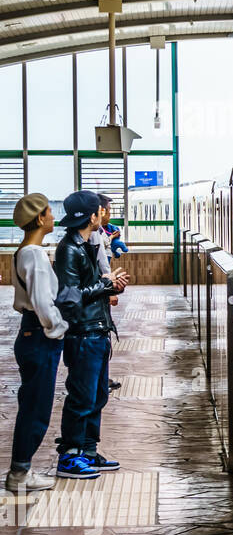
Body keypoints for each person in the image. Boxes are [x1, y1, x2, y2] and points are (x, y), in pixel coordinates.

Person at [53, 190, 128, 480]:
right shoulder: (70, 249)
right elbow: (70, 298)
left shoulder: (84, 244)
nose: (103, 216)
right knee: (82, 397)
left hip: (97, 330)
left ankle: (87, 449)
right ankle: (70, 456)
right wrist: (105, 287)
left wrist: (110, 284)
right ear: (91, 216)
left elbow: (90, 287)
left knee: (97, 395)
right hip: (83, 333)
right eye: (99, 211)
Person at [5, 194, 68, 493]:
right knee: (36, 407)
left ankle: (21, 470)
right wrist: (58, 329)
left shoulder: (23, 251)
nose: (54, 218)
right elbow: (43, 302)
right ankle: (20, 473)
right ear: (40, 219)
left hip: (29, 334)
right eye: (50, 213)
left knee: (32, 404)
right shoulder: (35, 254)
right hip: (39, 336)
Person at [92, 194, 122, 393]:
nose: (110, 213)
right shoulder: (95, 235)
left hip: (102, 287)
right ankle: (100, 381)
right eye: (108, 210)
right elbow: (102, 263)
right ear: (100, 212)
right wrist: (109, 288)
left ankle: (102, 379)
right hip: (99, 291)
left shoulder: (98, 232)